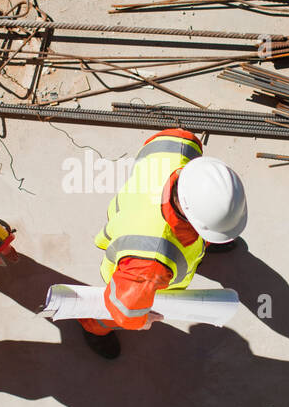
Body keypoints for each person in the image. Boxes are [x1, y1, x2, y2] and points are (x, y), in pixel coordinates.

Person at [79, 128, 247, 359]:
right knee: (109, 311)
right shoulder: (152, 263)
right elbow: (124, 309)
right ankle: (93, 327)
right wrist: (139, 321)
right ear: (192, 218)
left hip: (133, 211)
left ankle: (205, 242)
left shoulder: (181, 143)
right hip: (132, 262)